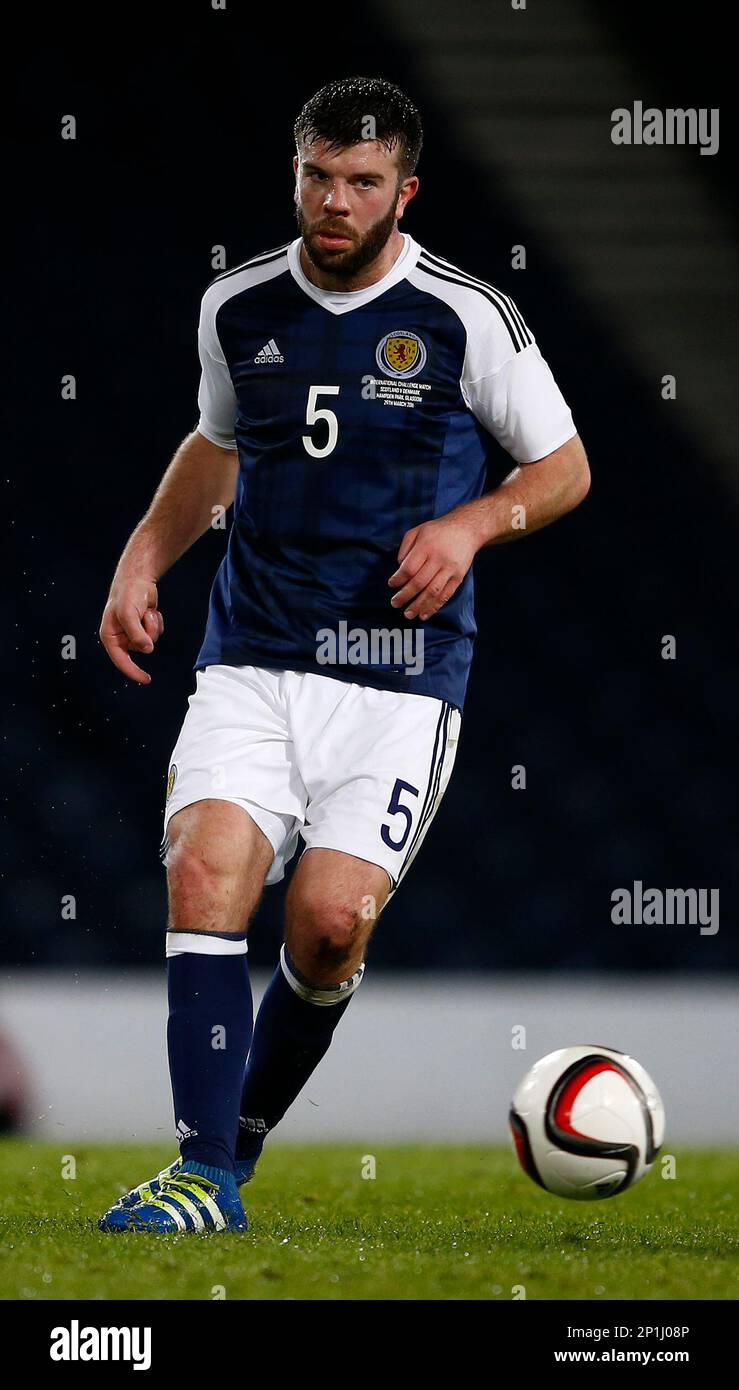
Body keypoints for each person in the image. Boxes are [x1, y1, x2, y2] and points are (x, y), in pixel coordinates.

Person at [98, 75, 590, 1233]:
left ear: (402, 191)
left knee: (325, 926)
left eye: (362, 181)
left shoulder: (467, 317)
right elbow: (217, 446)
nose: (335, 199)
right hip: (252, 659)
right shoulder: (238, 305)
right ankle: (203, 1171)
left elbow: (561, 469)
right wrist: (140, 559)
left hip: (399, 684)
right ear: (297, 174)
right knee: (202, 874)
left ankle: (241, 1140)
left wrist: (472, 525)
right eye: (318, 174)